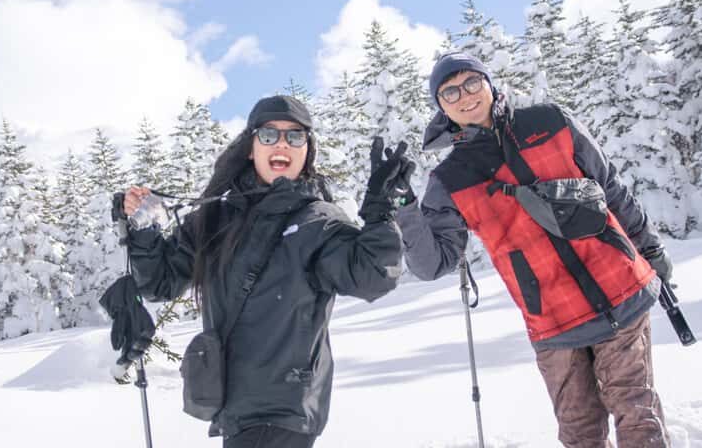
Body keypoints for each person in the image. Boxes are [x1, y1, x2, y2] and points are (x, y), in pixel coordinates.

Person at [396, 53, 673, 447]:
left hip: (621, 289)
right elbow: (432, 264)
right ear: (440, 107)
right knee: (580, 435)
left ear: (489, 83)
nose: (465, 96)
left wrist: (650, 248)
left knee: (639, 419)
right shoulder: (450, 179)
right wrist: (404, 208)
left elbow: (610, 186)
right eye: (450, 92)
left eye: (472, 82)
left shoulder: (550, 121)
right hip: (553, 322)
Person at [118, 95, 410, 448]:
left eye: (295, 136)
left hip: (284, 410)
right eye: (269, 135)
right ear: (250, 147)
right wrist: (145, 228)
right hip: (236, 412)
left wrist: (380, 211)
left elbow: (373, 275)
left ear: (307, 151)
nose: (282, 143)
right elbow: (160, 282)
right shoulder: (216, 219)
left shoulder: (317, 222)